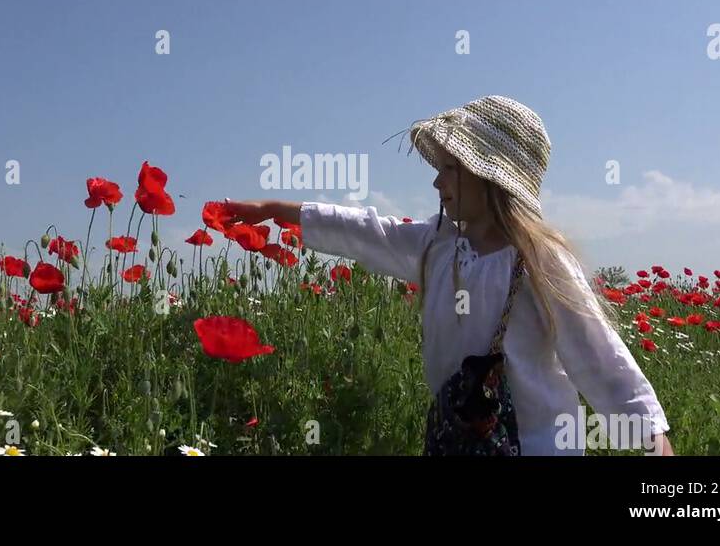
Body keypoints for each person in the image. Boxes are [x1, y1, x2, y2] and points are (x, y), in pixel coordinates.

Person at [225, 95, 674, 456]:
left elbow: (599, 359)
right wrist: (278, 212)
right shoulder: (437, 246)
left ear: (490, 178)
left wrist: (652, 438)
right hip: (458, 441)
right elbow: (365, 231)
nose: (438, 184)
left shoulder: (541, 260)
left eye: (449, 169)